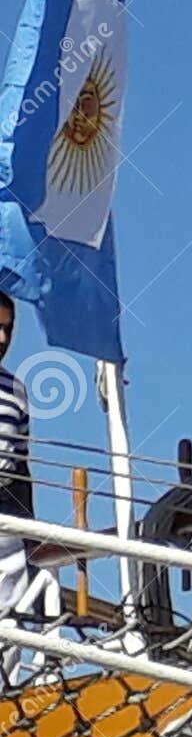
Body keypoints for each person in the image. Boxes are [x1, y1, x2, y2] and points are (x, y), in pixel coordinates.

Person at [0, 293, 31, 684]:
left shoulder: (16, 391)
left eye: (8, 328)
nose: (2, 337)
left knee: (11, 611)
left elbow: (22, 465)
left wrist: (31, 533)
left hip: (5, 517)